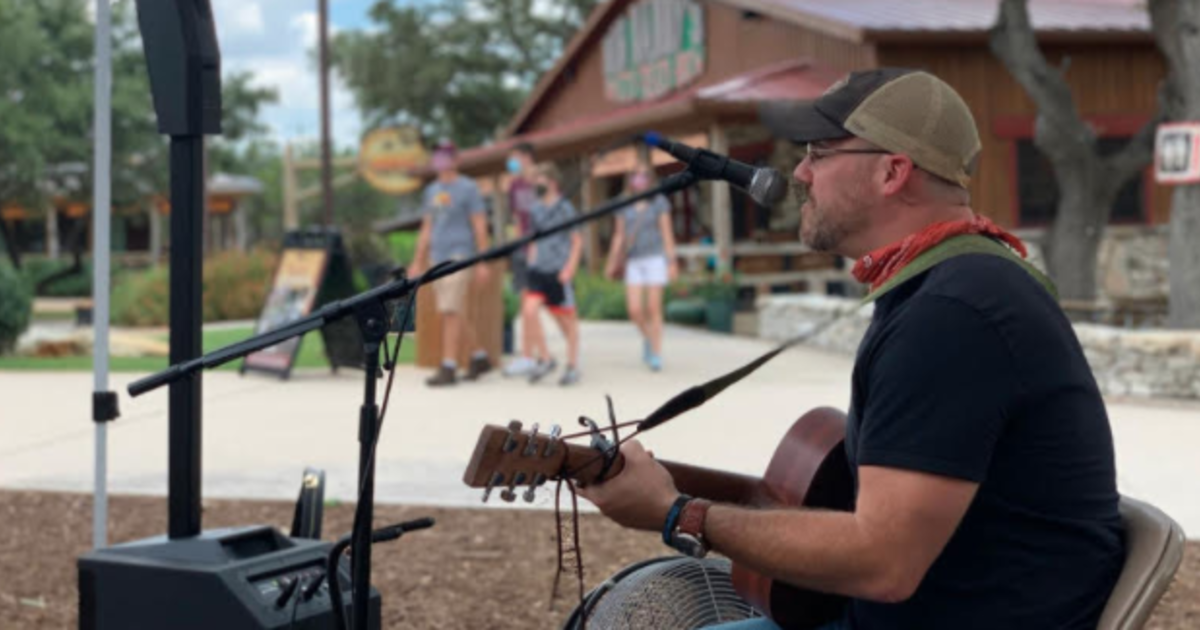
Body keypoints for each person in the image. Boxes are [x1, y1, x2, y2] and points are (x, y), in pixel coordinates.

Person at [579, 69, 1124, 629]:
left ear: (892, 171)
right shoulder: (949, 285)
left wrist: (679, 514)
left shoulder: (954, 314)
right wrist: (656, 487)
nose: (800, 173)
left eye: (819, 153)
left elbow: (884, 562)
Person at [409, 139, 494, 387]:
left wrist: (482, 261)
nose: (440, 161)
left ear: (455, 159)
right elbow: (426, 227)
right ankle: (480, 358)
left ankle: (448, 367)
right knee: (455, 310)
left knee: (449, 310)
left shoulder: (468, 188)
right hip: (438, 257)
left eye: (445, 155)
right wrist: (417, 261)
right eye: (437, 156)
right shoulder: (431, 191)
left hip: (460, 255)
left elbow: (479, 225)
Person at [604, 164, 678, 371]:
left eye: (644, 174)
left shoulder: (659, 201)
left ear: (650, 178)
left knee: (653, 308)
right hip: (633, 260)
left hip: (655, 257)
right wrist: (611, 261)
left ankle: (656, 352)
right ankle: (648, 338)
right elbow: (619, 235)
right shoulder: (623, 202)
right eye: (635, 174)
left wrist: (672, 262)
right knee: (634, 310)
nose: (639, 178)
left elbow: (666, 233)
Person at [522, 163, 583, 386]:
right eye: (535, 179)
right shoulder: (535, 209)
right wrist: (531, 262)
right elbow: (535, 240)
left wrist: (570, 268)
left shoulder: (565, 208)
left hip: (559, 271)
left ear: (552, 182)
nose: (536, 184)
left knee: (567, 321)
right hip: (539, 270)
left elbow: (577, 240)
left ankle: (573, 365)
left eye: (541, 179)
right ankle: (546, 358)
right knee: (529, 311)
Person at [501, 142, 543, 377]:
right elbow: (519, 219)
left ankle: (536, 356)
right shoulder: (515, 185)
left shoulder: (540, 181)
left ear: (527, 157)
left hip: (541, 249)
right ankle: (530, 355)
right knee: (527, 302)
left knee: (537, 305)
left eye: (514, 158)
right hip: (523, 250)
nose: (511, 163)